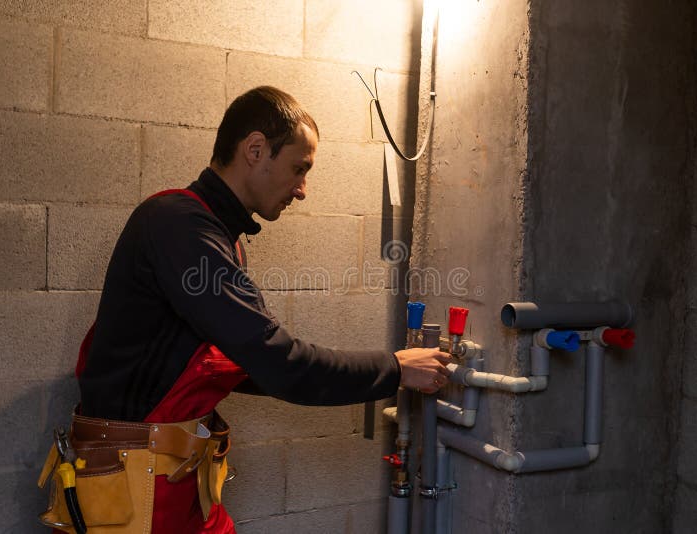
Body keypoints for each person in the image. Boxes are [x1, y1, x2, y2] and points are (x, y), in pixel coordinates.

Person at [39, 86, 452, 534]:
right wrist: (395, 369)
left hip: (173, 482)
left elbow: (239, 362)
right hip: (132, 493)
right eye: (299, 169)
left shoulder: (220, 237)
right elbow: (277, 361)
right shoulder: (177, 225)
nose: (302, 190)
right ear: (255, 150)